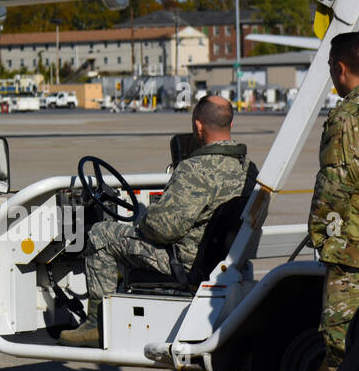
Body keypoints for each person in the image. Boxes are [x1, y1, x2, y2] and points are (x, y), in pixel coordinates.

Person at [60, 95, 252, 347]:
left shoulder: (194, 170)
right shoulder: (247, 168)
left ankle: (98, 324)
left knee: (101, 235)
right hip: (222, 260)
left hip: (184, 262)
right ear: (230, 124)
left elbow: (162, 230)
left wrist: (143, 219)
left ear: (198, 126)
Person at [308, 31, 359, 371]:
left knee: (347, 355)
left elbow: (335, 186)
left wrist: (322, 238)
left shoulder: (351, 114)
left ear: (340, 69)